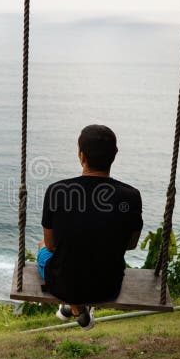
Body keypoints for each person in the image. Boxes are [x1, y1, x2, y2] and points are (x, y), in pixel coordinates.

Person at [37, 124, 143, 330]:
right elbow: (131, 245)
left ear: (81, 155)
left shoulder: (57, 190)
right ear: (115, 154)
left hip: (62, 284)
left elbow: (50, 246)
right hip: (108, 286)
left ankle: (73, 306)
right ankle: (72, 308)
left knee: (43, 246)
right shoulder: (131, 196)